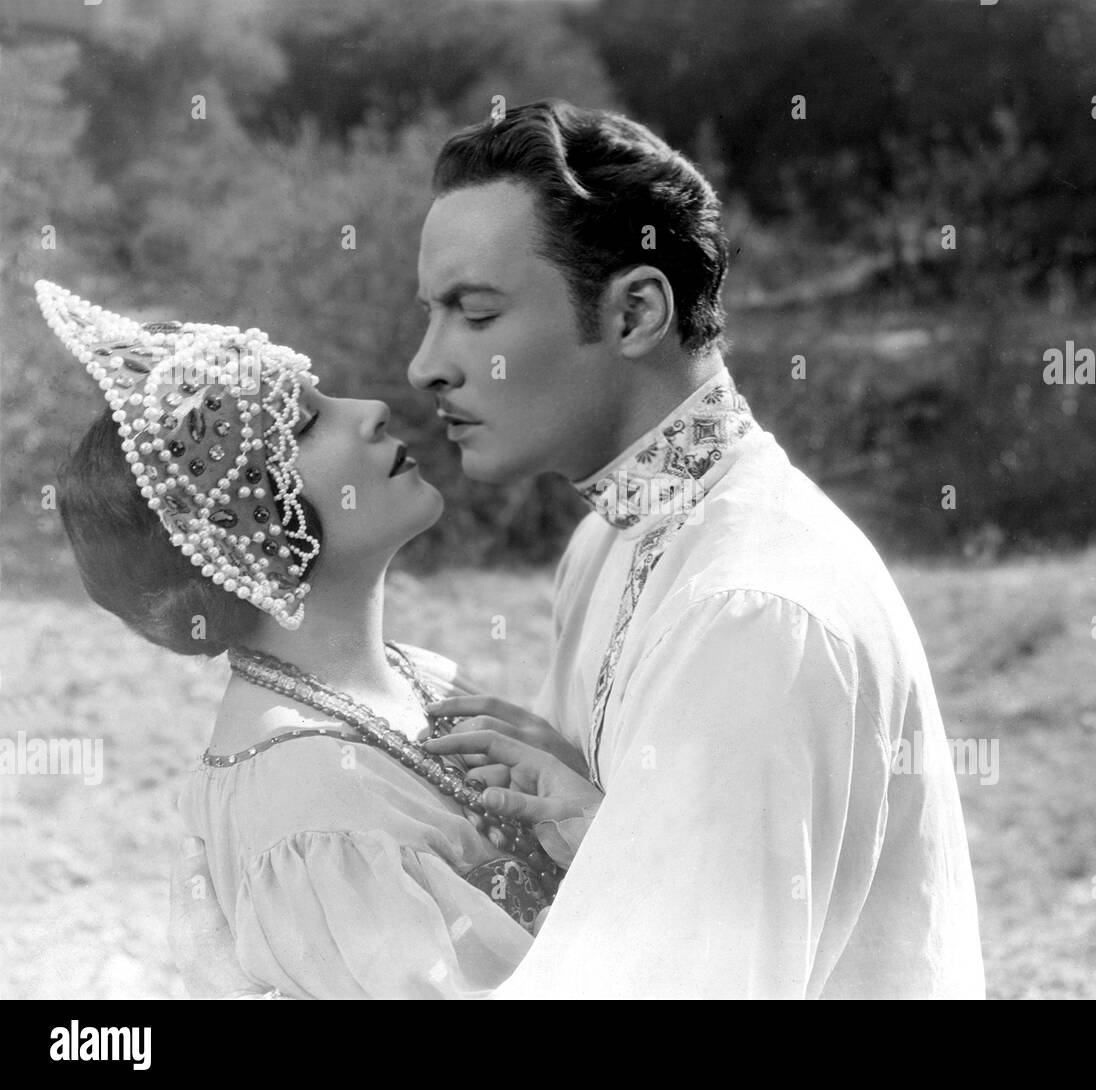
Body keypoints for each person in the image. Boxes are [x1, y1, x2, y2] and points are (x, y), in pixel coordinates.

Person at [176, 99, 987, 999]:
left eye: (474, 316)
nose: (424, 366)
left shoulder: (748, 610)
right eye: (430, 314)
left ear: (635, 313)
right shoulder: (610, 536)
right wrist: (602, 825)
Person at [38, 279, 585, 999]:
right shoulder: (315, 802)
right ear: (244, 527)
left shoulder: (413, 675)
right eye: (304, 427)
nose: (371, 412)